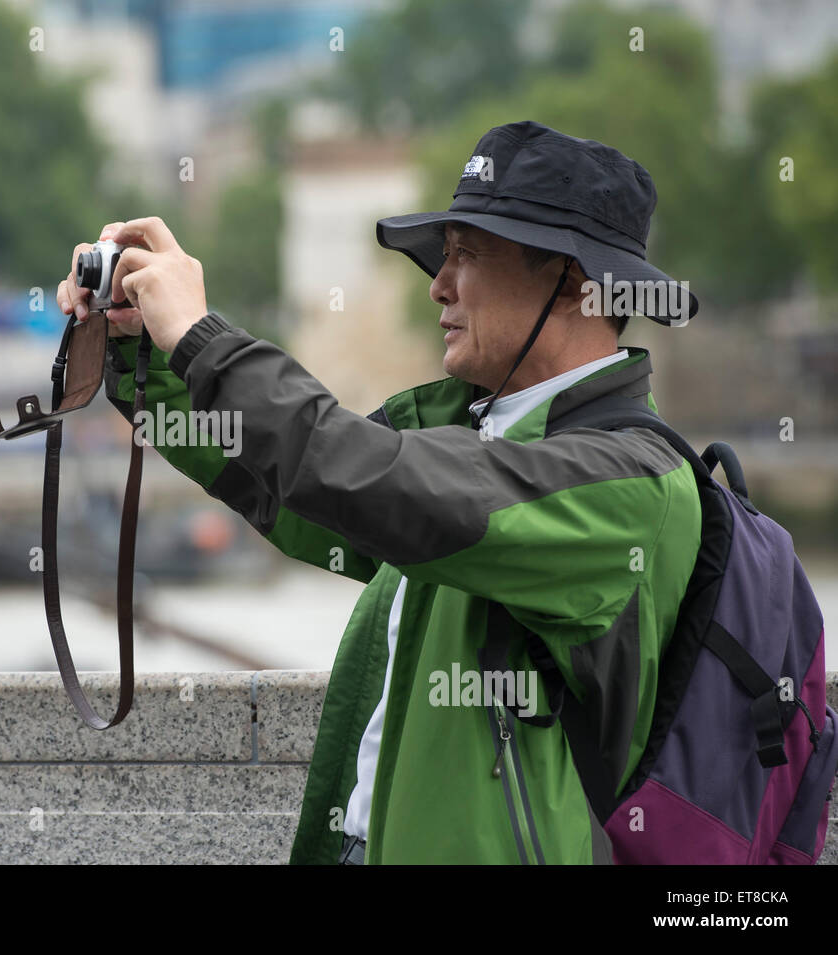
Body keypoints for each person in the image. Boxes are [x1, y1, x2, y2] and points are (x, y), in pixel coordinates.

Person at [56, 120, 702, 864]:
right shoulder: (483, 441)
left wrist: (203, 338)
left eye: (468, 255)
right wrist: (146, 350)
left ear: (574, 287)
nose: (438, 284)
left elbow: (357, 468)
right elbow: (305, 490)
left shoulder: (626, 485)